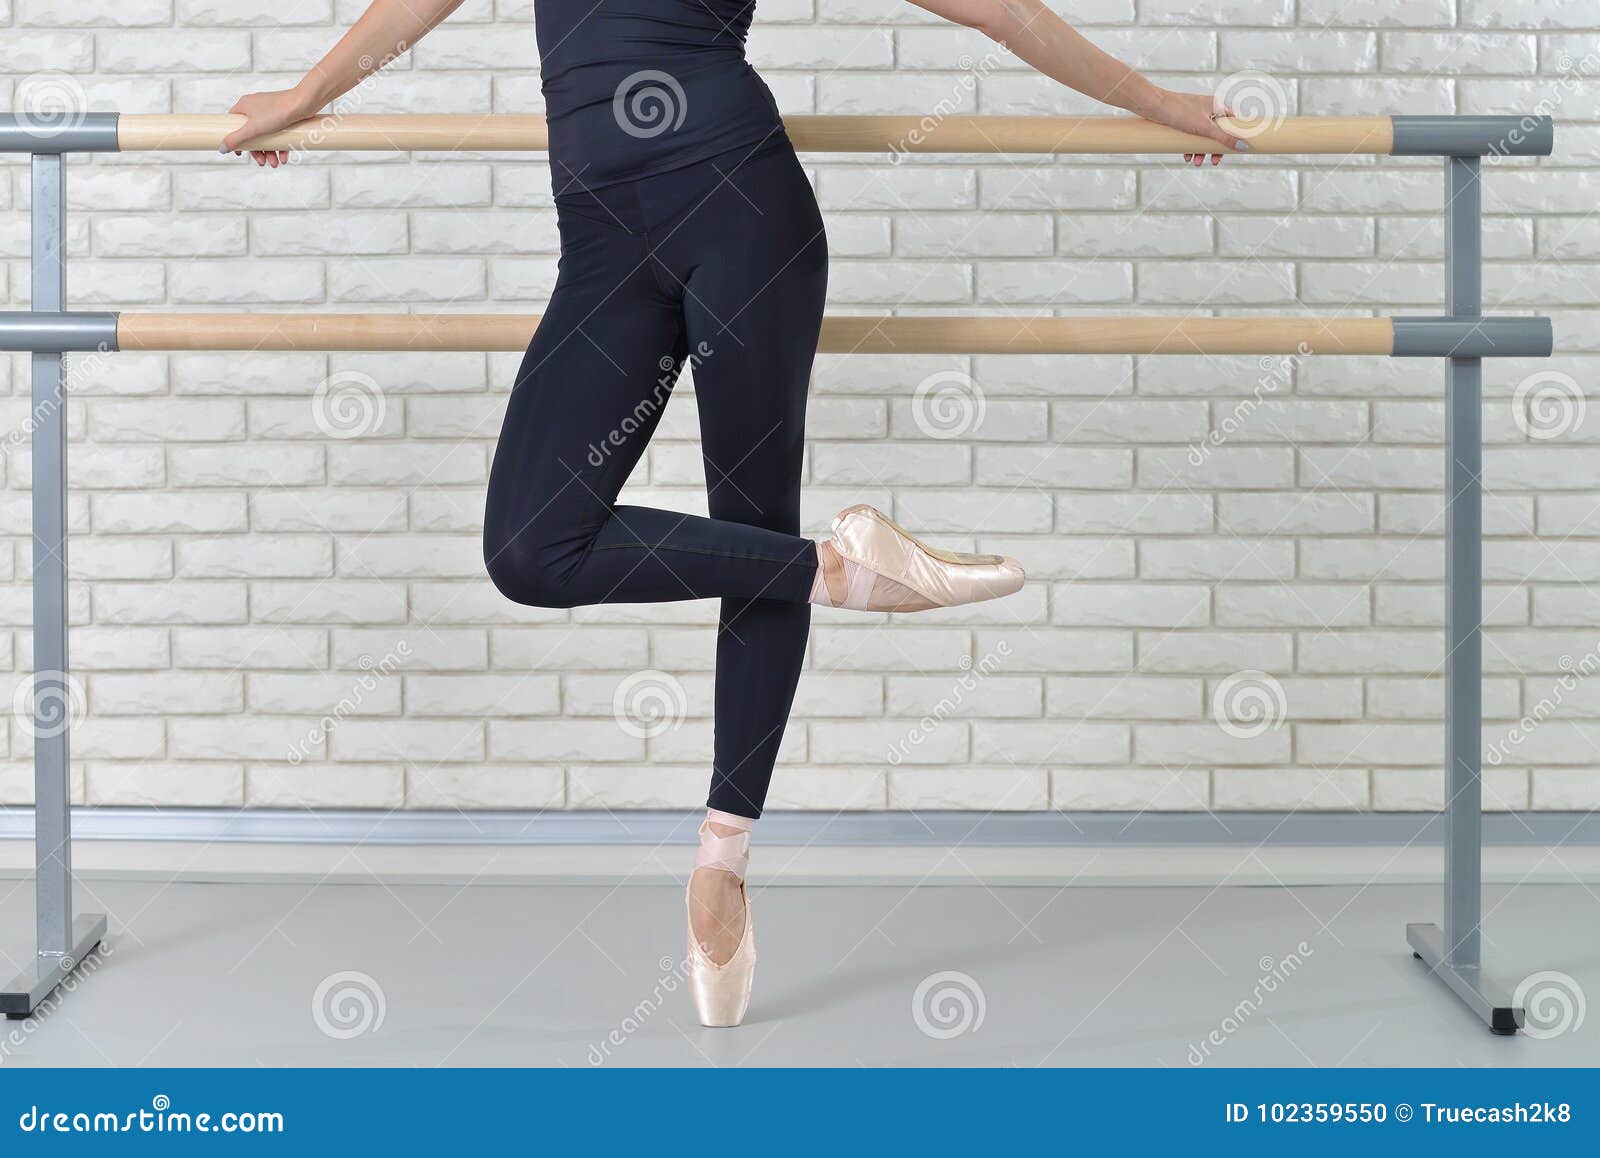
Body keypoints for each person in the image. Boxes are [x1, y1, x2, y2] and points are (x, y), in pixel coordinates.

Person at [222, 0, 1242, 1029]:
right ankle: (842, 570)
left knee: (747, 520)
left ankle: (723, 865)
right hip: (604, 252)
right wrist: (305, 98)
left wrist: (1159, 105)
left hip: (742, 213)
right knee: (531, 548)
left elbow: (995, 10)